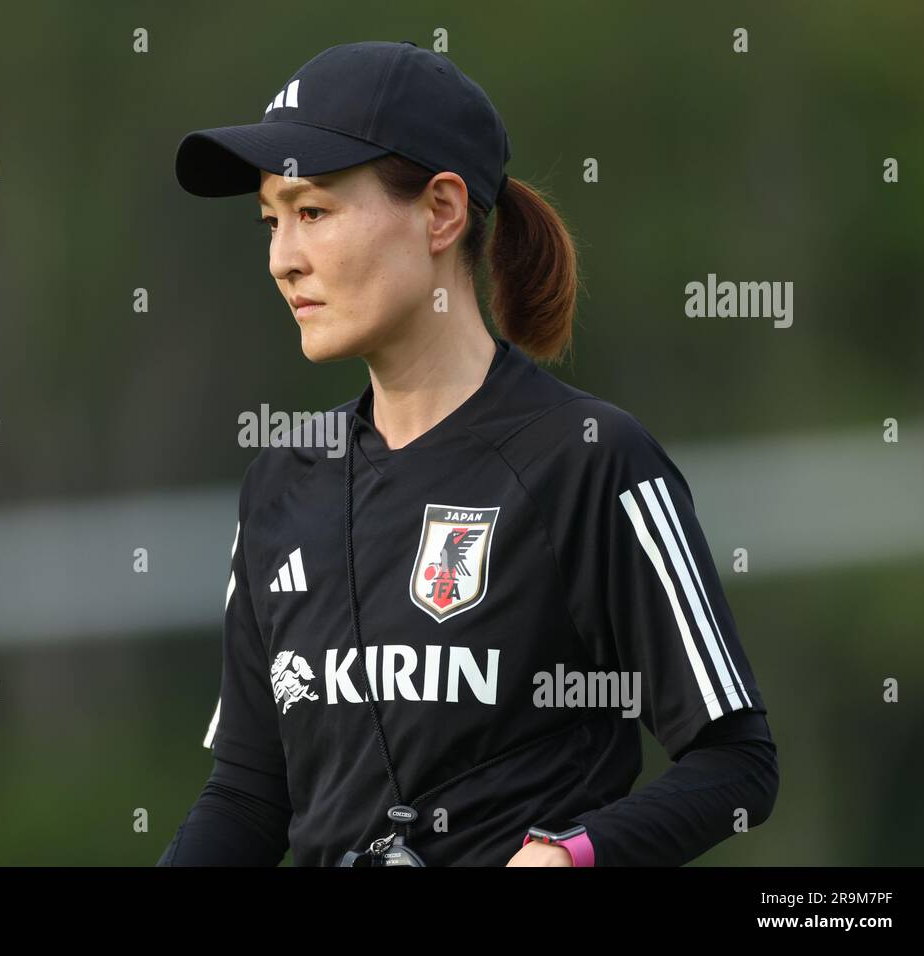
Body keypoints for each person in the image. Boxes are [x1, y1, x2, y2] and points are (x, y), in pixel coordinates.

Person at [159, 39, 778, 867]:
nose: (282, 259)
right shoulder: (279, 485)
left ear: (442, 213)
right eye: (271, 221)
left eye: (313, 212)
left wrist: (573, 854)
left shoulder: (591, 460)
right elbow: (247, 795)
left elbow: (736, 761)